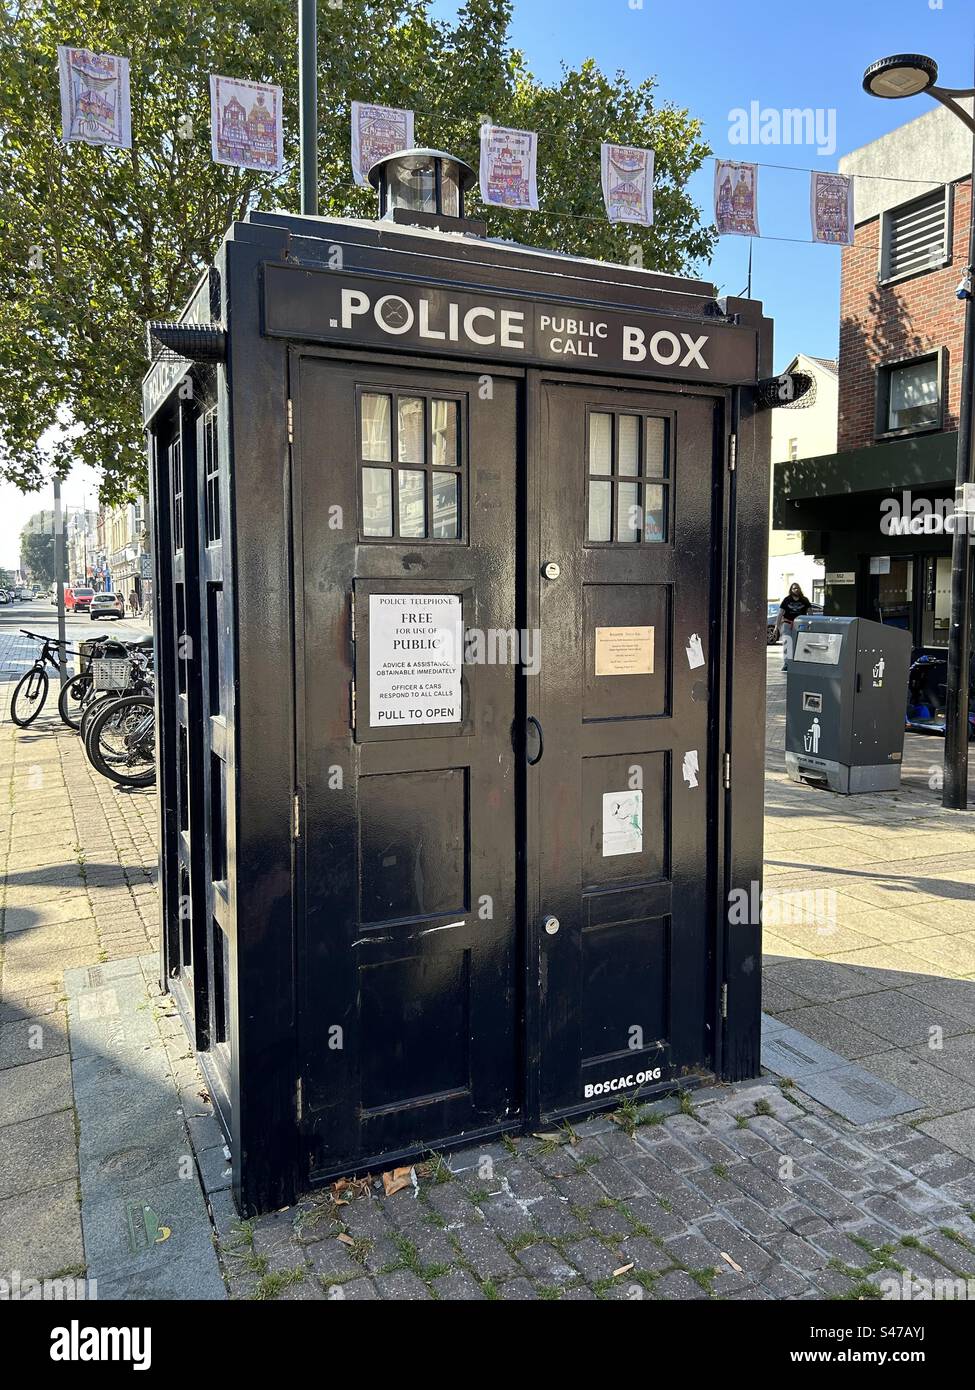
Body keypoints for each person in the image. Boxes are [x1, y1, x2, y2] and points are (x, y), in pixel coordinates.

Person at [776, 582, 812, 669]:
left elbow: (810, 613)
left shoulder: (804, 600)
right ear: (791, 590)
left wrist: (810, 624)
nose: (796, 590)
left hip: (800, 625)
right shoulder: (786, 600)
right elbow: (780, 613)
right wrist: (776, 626)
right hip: (787, 624)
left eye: (797, 588)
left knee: (800, 643)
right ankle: (787, 664)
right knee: (787, 643)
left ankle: (799, 663)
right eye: (794, 588)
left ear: (800, 589)